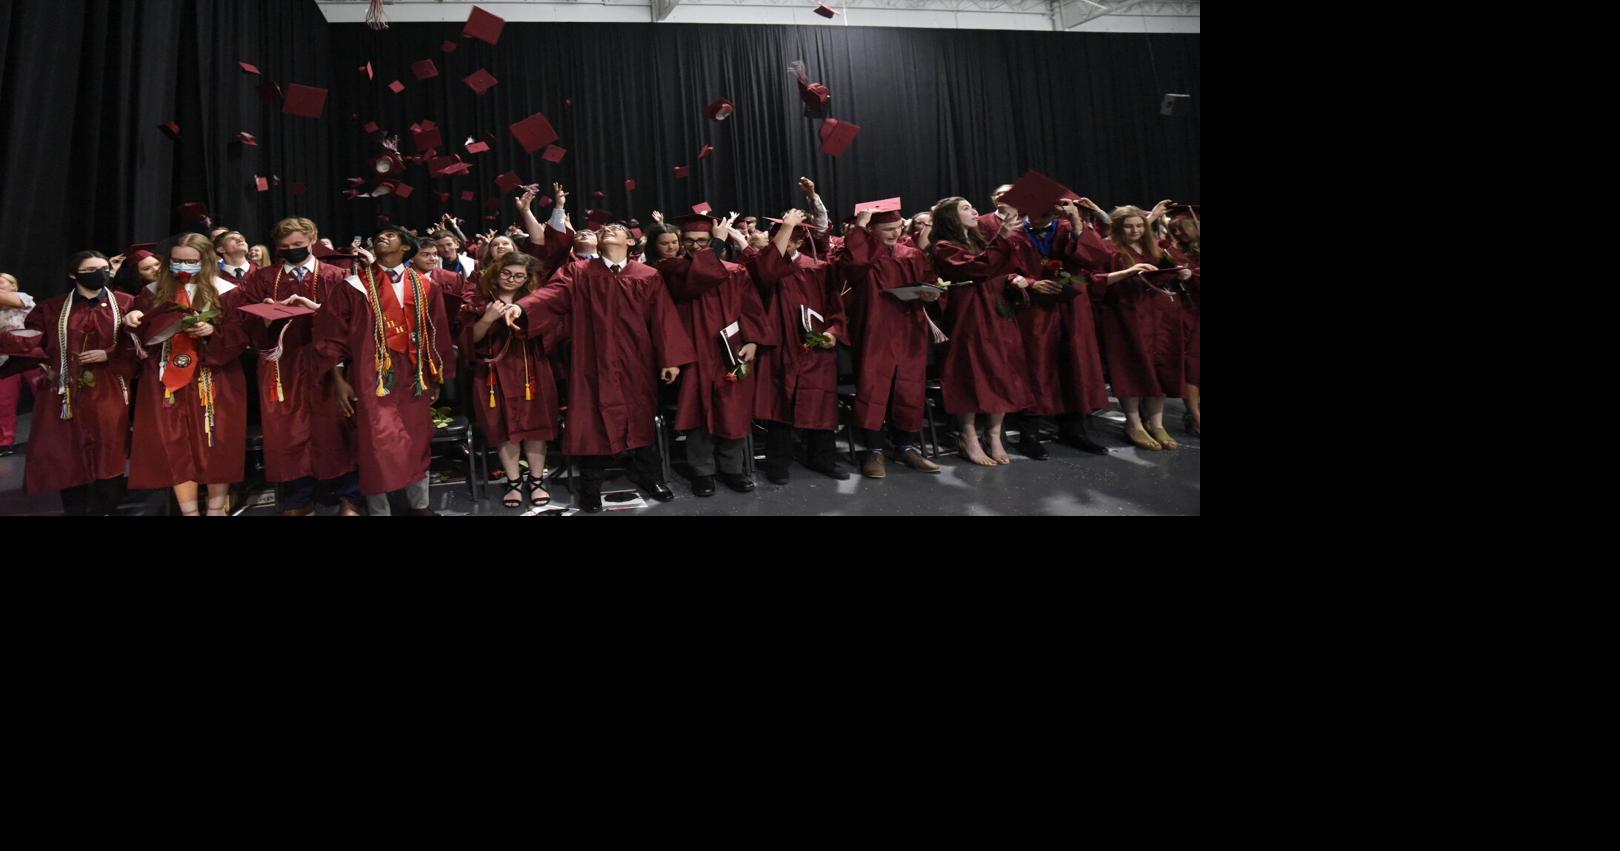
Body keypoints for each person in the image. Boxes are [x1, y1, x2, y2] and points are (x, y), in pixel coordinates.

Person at [500, 223, 695, 512]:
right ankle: (590, 485)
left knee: (640, 417)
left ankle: (651, 477)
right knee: (591, 422)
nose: (607, 230)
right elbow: (552, 294)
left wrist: (670, 359)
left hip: (635, 361)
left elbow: (663, 317)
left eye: (616, 228)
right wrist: (524, 307)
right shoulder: (578, 273)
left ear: (630, 241)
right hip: (592, 360)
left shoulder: (647, 275)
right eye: (604, 229)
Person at [314, 224, 456, 515]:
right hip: (371, 374)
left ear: (406, 248)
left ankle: (421, 505)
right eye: (378, 235)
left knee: (417, 438)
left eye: (390, 236)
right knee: (374, 442)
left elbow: (438, 334)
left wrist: (436, 377)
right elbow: (332, 336)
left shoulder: (427, 286)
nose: (381, 237)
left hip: (414, 376)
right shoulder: (353, 286)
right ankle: (380, 511)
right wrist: (338, 379)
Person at [238, 217, 363, 515]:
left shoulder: (338, 275)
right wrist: (264, 317)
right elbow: (245, 323)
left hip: (330, 364)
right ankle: (297, 500)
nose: (292, 250)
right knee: (288, 432)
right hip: (283, 366)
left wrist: (319, 310)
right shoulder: (263, 278)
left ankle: (350, 496)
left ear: (313, 239)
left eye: (298, 245)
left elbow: (356, 321)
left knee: (337, 427)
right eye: (285, 247)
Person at [123, 234, 250, 515]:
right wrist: (131, 321)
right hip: (168, 379)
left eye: (191, 262)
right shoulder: (152, 293)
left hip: (214, 377)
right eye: (178, 261)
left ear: (205, 262)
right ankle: (189, 512)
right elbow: (141, 335)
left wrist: (212, 332)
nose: (184, 266)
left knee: (215, 440)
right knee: (175, 443)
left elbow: (241, 334)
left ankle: (216, 510)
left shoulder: (227, 291)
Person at [658, 213, 773, 496]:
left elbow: (752, 309)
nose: (696, 246)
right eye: (690, 241)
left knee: (733, 411)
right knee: (698, 413)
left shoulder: (736, 272)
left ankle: (733, 469)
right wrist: (717, 244)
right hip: (694, 353)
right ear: (682, 243)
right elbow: (701, 274)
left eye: (702, 241)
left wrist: (754, 341)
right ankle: (702, 472)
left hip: (731, 351)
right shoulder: (672, 269)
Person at [836, 208, 943, 478]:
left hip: (910, 328)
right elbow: (852, 268)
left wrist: (931, 294)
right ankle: (874, 450)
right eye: (887, 229)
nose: (895, 233)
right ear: (871, 230)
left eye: (898, 227)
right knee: (874, 388)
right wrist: (859, 229)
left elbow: (930, 281)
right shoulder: (862, 254)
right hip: (875, 330)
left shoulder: (912, 254)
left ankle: (906, 446)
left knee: (910, 387)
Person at [928, 196, 1033, 467]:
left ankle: (994, 435)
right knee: (970, 373)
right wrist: (1003, 237)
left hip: (997, 312)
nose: (974, 211)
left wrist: (1013, 278)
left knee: (1002, 371)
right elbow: (979, 268)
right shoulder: (943, 246)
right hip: (969, 316)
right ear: (950, 217)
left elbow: (999, 268)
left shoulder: (980, 241)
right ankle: (968, 437)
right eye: (965, 208)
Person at [747, 209, 849, 483]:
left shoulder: (817, 268)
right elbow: (767, 272)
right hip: (779, 345)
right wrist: (785, 227)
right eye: (781, 237)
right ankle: (778, 463)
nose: (787, 241)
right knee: (780, 404)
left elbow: (835, 306)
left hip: (814, 346)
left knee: (822, 403)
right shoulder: (761, 266)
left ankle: (822, 458)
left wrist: (834, 332)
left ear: (801, 241)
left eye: (793, 237)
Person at [1090, 204, 1194, 451]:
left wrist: (1183, 273)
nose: (1135, 230)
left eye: (1139, 225)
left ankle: (1157, 423)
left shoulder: (1155, 247)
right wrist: (1129, 272)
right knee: (1132, 367)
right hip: (1125, 315)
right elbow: (1094, 282)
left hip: (1160, 315)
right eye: (1129, 226)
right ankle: (1134, 423)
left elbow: (1174, 269)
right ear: (1117, 227)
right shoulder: (1107, 248)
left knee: (1161, 367)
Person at [463, 251, 560, 509]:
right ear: (497, 270)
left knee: (536, 424)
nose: (511, 279)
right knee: (503, 427)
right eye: (507, 273)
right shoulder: (479, 296)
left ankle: (537, 480)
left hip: (531, 369)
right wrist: (488, 318)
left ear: (527, 278)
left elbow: (552, 328)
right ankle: (514, 482)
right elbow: (469, 340)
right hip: (493, 373)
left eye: (519, 276)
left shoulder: (534, 298)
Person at [0, 271, 39, 456]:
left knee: (44, 395)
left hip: (30, 354)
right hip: (4, 358)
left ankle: (52, 435)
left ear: (13, 286)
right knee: (3, 401)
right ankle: (4, 442)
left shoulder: (23, 298)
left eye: (1, 282)